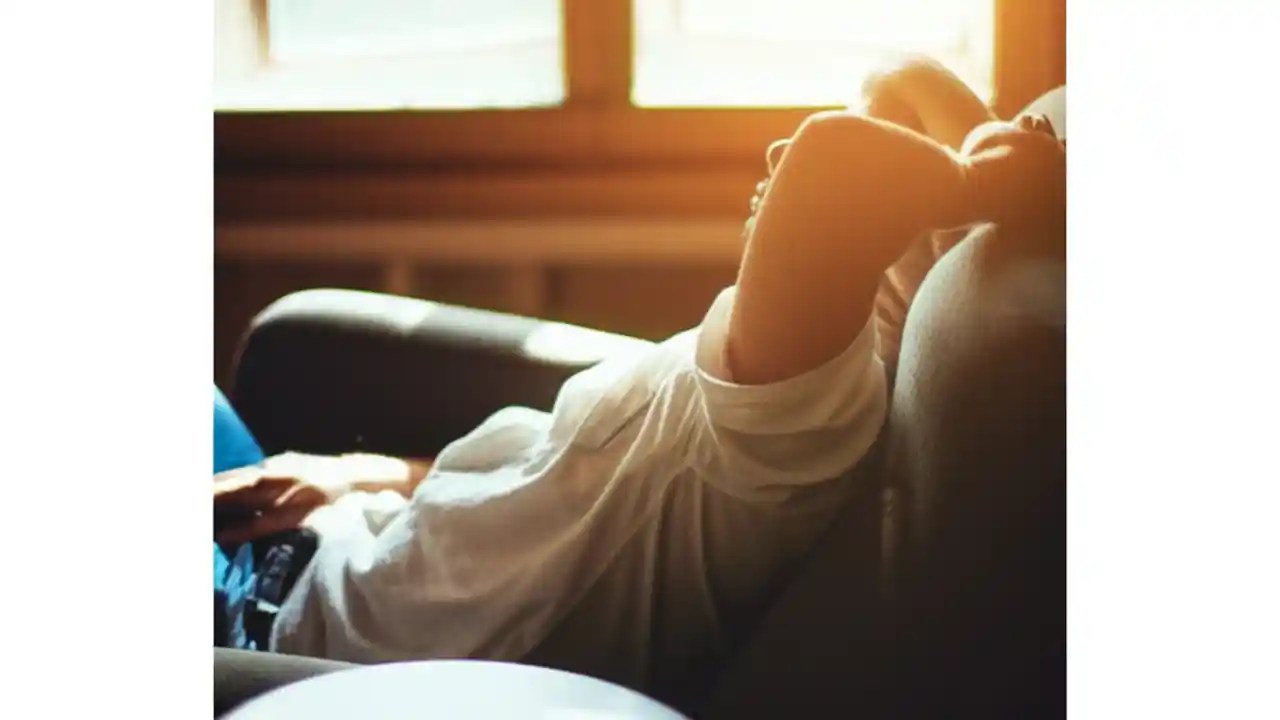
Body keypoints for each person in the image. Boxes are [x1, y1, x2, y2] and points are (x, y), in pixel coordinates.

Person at [213, 57, 1066, 699]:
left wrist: (995, 177)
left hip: (273, 635)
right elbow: (897, 85)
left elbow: (830, 166)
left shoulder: (783, 434)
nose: (774, 154)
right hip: (327, 531)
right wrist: (375, 477)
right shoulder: (814, 388)